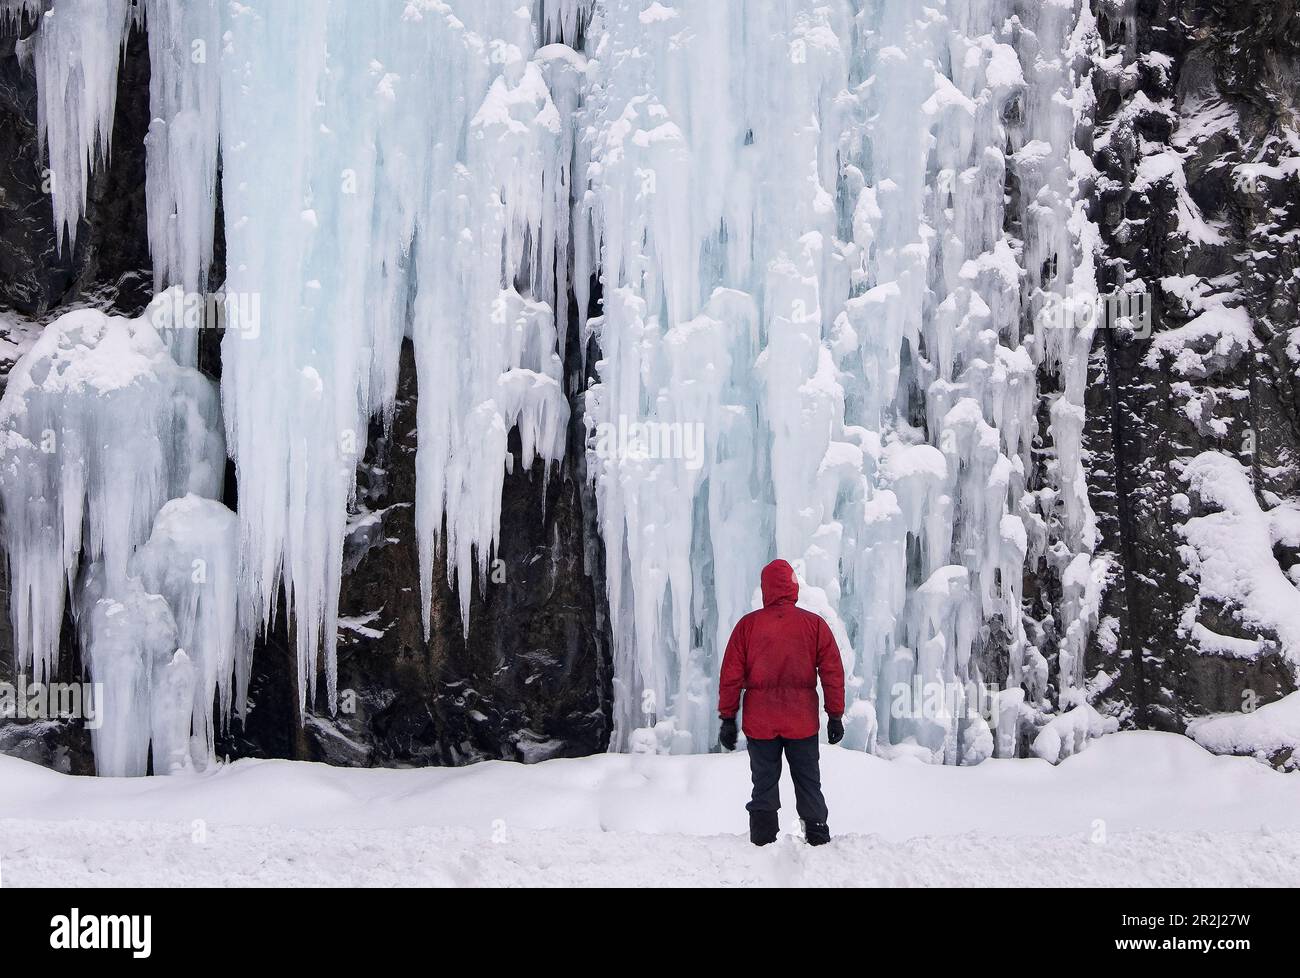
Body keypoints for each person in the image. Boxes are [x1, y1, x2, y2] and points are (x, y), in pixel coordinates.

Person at [717, 558, 846, 846]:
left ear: (765, 589)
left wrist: (727, 716)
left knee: (764, 782)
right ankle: (816, 837)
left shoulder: (748, 627)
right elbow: (832, 672)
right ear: (793, 587)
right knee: (808, 781)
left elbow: (731, 675)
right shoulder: (813, 625)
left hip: (761, 722)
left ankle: (762, 842)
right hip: (801, 720)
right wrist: (835, 714)